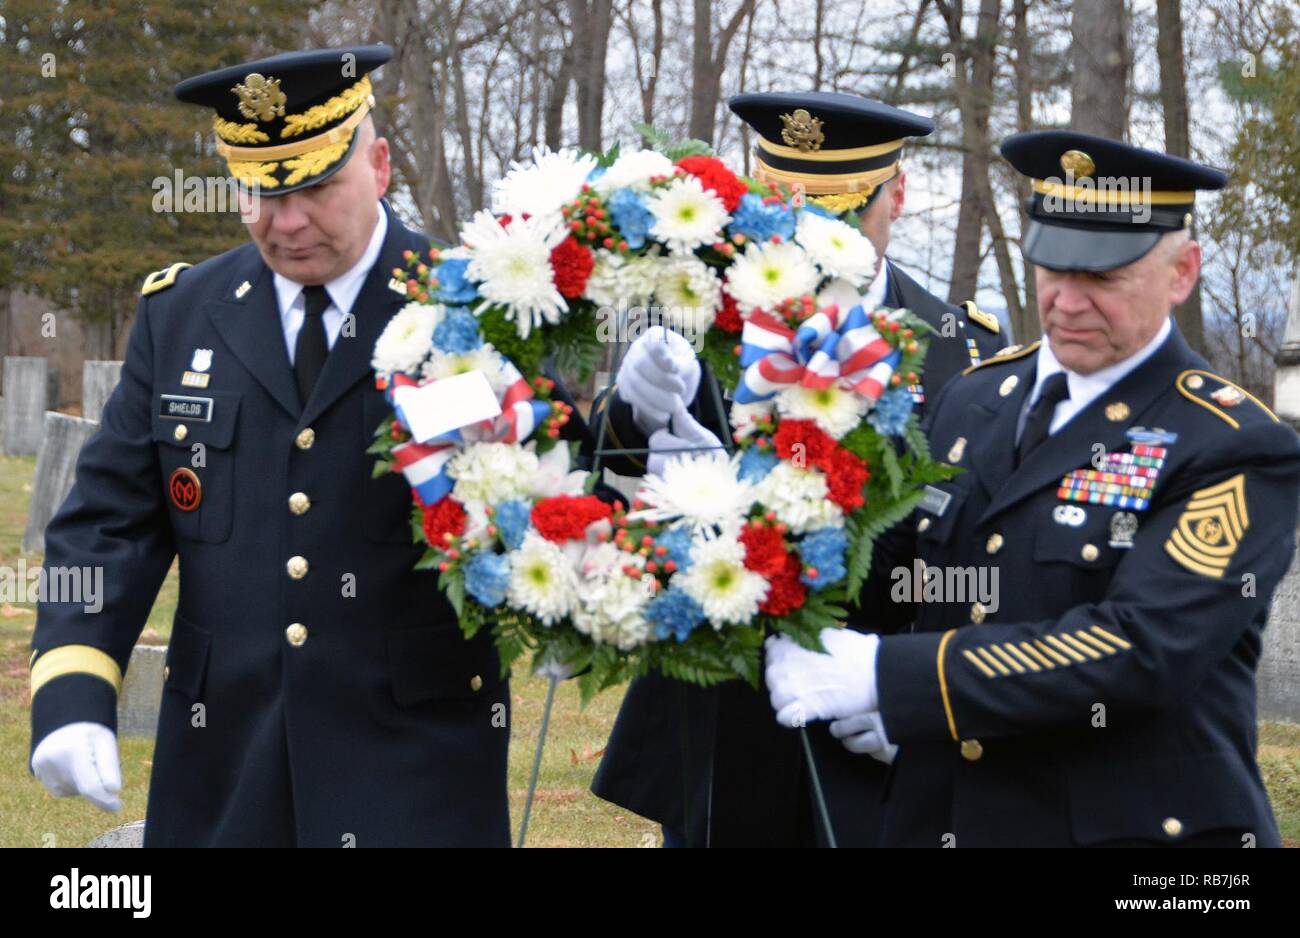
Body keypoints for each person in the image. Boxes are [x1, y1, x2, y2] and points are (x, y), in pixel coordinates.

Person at [28, 46, 516, 846]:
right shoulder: (182, 312)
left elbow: (556, 489)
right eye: (260, 190)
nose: (286, 222)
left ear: (380, 164)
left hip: (416, 768)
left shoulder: (471, 301)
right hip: (223, 764)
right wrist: (74, 685)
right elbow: (106, 522)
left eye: (317, 186)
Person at [766, 130, 1300, 847]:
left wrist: (896, 678)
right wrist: (730, 522)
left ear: (1183, 272)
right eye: (1052, 268)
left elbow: (1140, 649)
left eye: (1103, 278)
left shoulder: (1231, 444)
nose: (1068, 301)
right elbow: (913, 578)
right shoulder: (975, 398)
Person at [590, 92, 1005, 847]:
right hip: (724, 731)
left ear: (897, 196)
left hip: (875, 731)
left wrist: (917, 699)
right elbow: (614, 483)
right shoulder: (703, 318)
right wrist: (631, 414)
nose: (816, 239)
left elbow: (981, 557)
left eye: (843, 213)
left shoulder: (961, 350)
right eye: (792, 212)